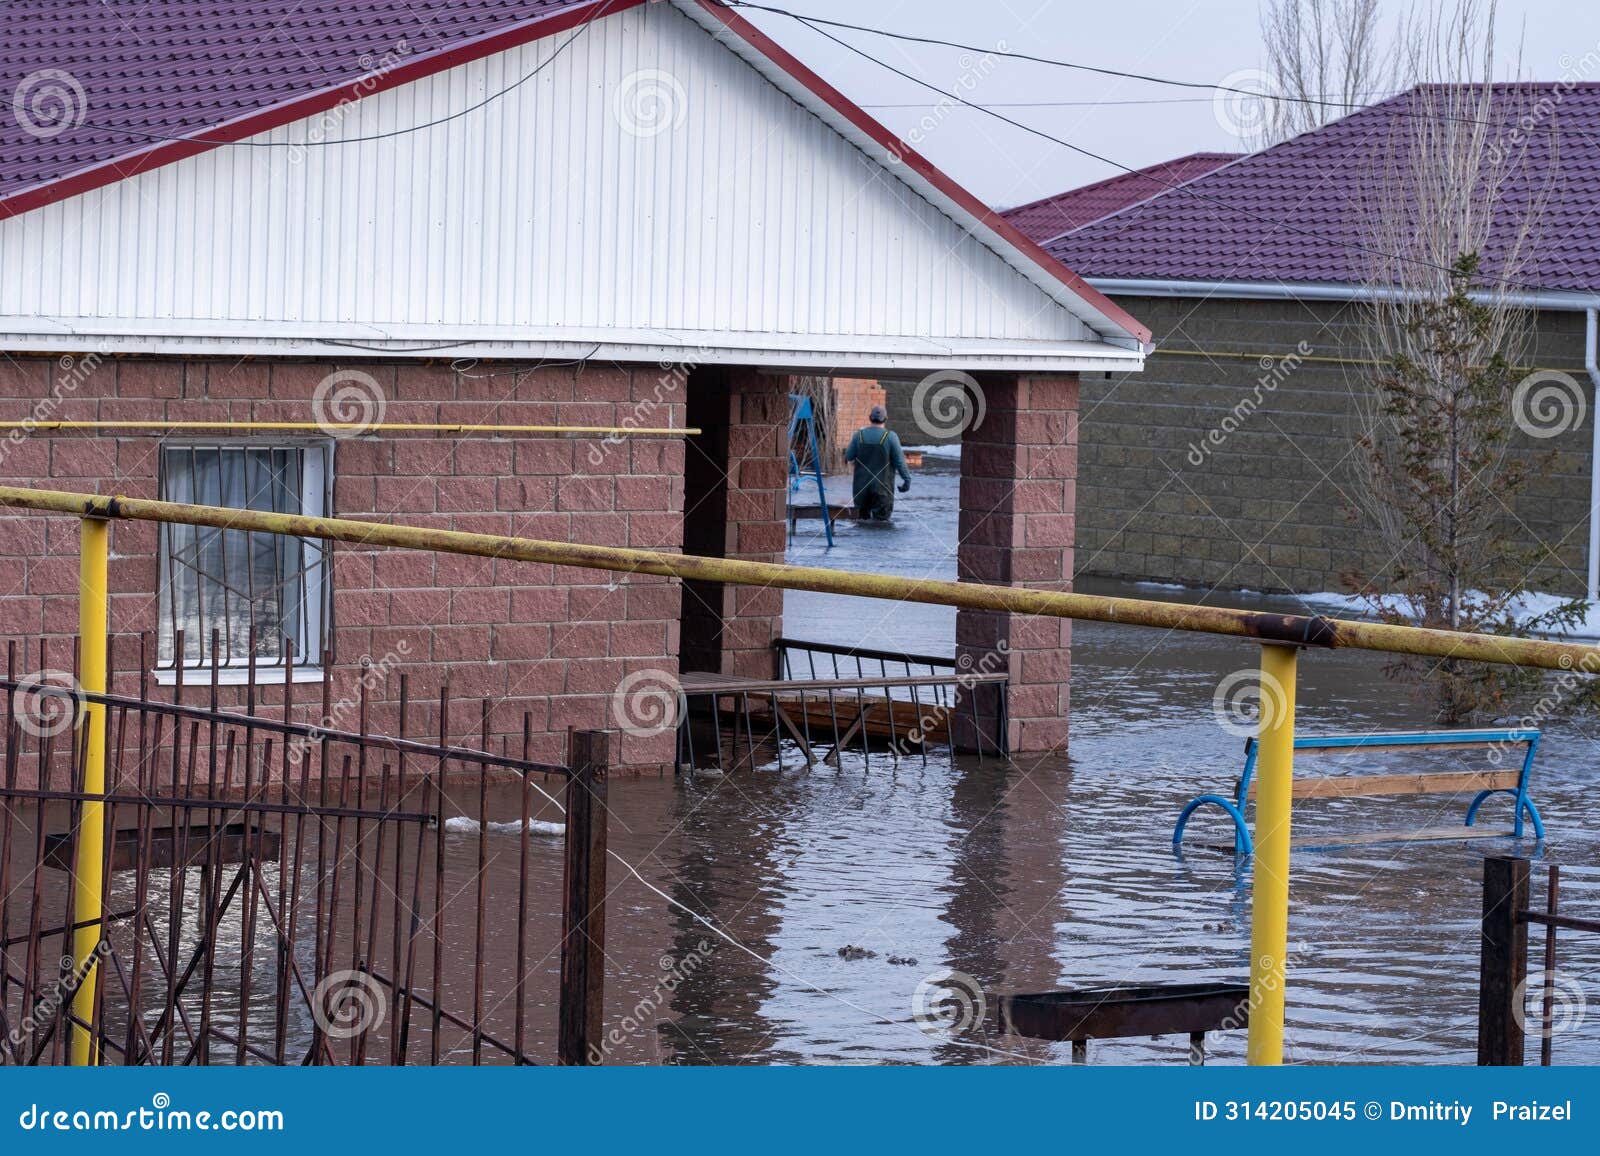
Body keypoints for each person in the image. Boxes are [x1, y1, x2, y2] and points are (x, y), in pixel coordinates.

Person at [843, 404, 911, 521]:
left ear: (870, 418)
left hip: (861, 489)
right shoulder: (890, 437)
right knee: (881, 525)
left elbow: (848, 456)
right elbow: (900, 462)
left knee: (861, 524)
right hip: (883, 489)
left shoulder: (858, 435)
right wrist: (907, 480)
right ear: (885, 419)